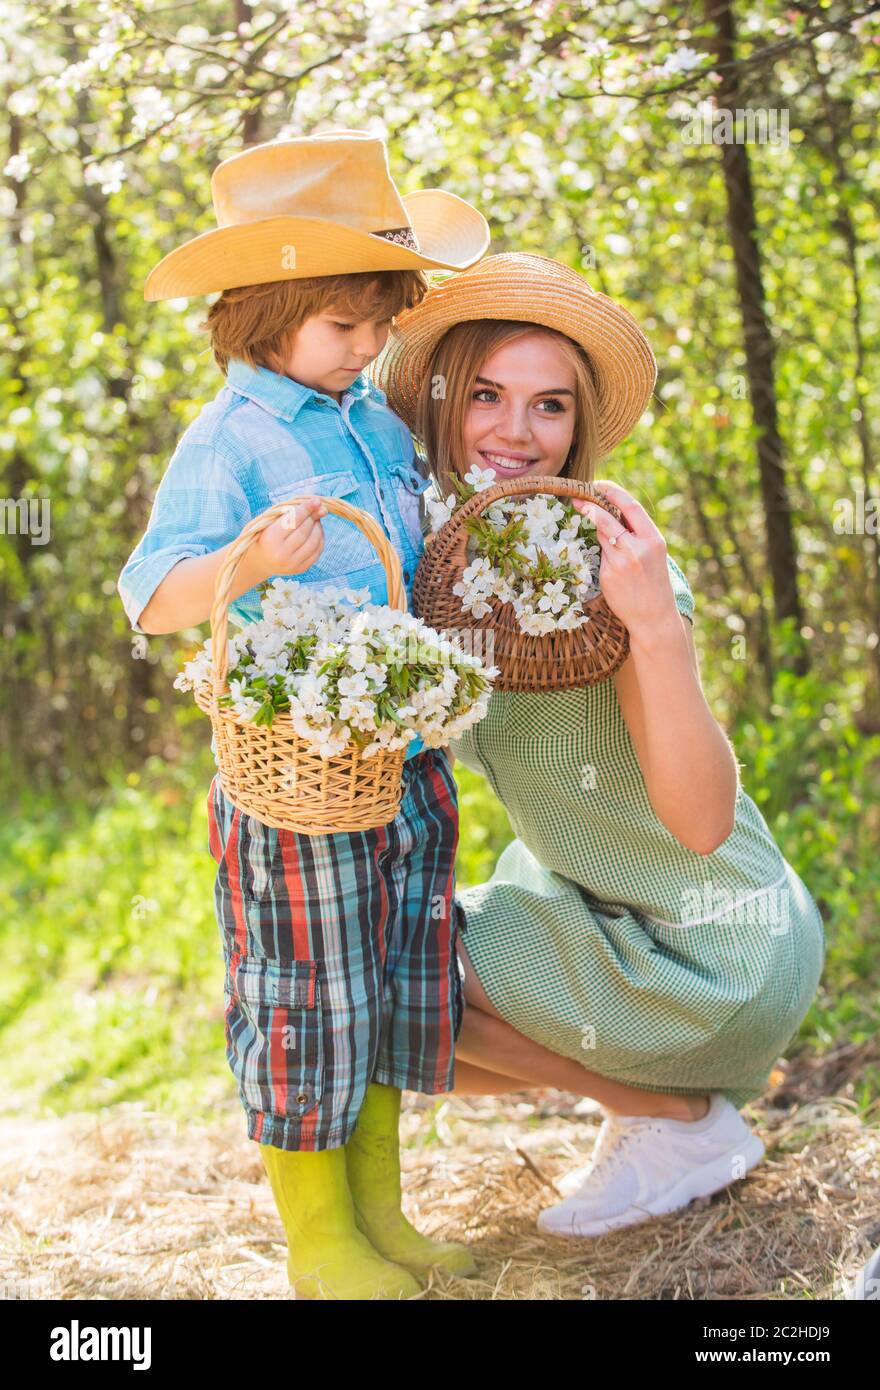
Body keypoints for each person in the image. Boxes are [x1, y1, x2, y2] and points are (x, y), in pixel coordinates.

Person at [375, 250, 826, 1238]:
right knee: (372, 1008)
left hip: (718, 954)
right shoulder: (440, 568)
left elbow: (703, 823)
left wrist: (653, 625)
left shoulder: (605, 565)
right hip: (614, 919)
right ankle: (659, 1119)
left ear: (578, 428)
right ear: (443, 400)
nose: (514, 431)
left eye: (550, 406)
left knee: (386, 963)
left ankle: (673, 1116)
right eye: (487, 393)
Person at [117, 131, 490, 1297]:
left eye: (382, 320)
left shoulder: (370, 419)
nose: (372, 346)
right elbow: (152, 596)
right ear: (264, 313)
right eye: (347, 325)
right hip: (297, 784)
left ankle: (382, 1213)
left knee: (390, 980)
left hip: (401, 761)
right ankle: (319, 1239)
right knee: (301, 998)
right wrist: (241, 559)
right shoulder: (230, 440)